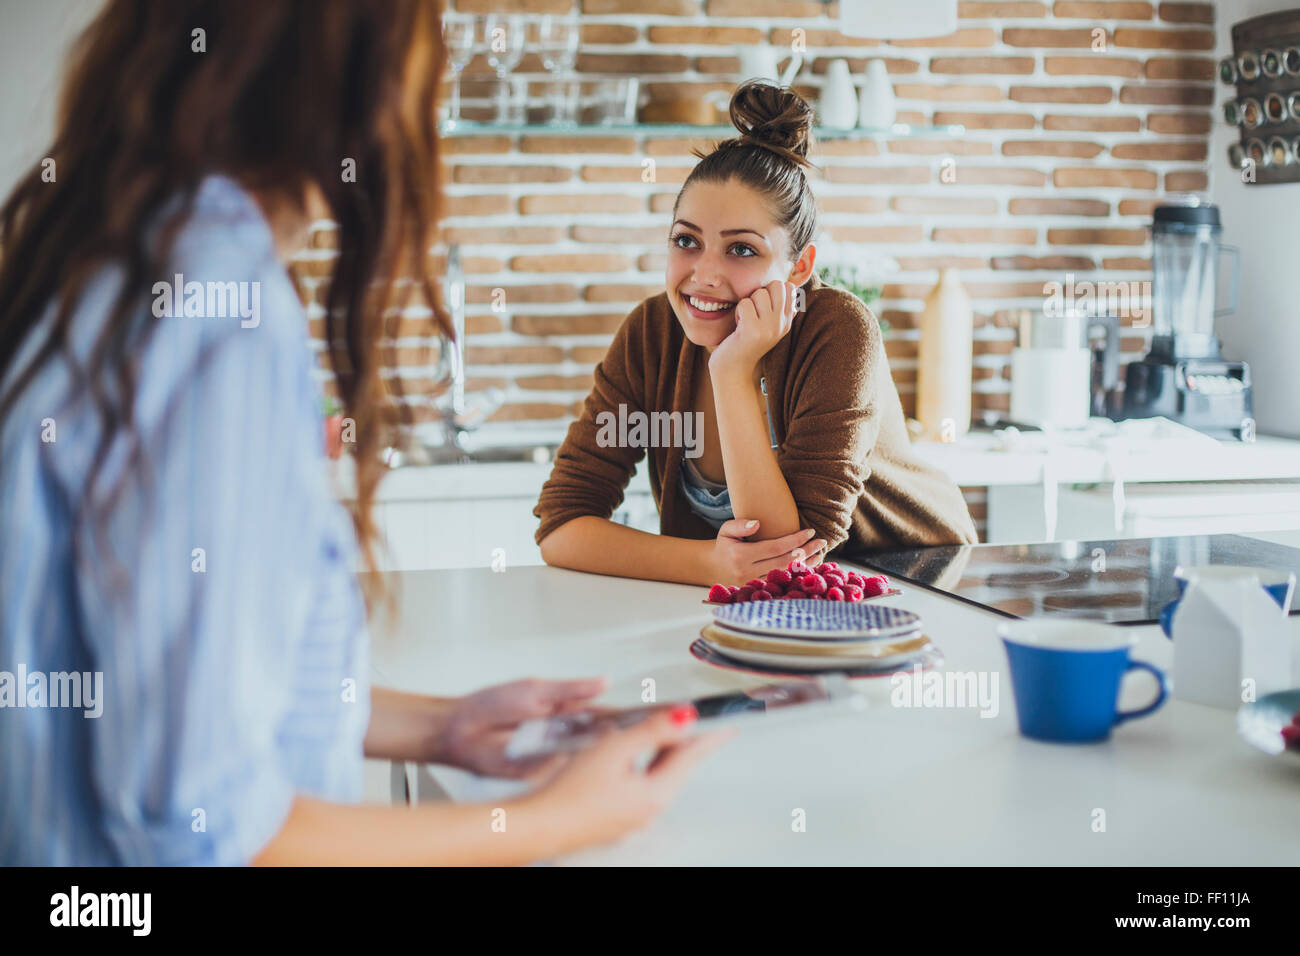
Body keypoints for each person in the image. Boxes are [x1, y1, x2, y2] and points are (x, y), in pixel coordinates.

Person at [0, 0, 727, 866]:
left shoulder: (114, 246)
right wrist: (558, 821)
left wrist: (444, 727)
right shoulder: (218, 302)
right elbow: (199, 830)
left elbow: (173, 690)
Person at [534, 80, 978, 588]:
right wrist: (707, 564)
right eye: (687, 241)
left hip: (914, 581)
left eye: (742, 249)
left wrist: (731, 371)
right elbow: (562, 525)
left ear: (798, 267)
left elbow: (787, 555)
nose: (704, 273)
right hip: (769, 605)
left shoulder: (838, 332)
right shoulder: (651, 334)